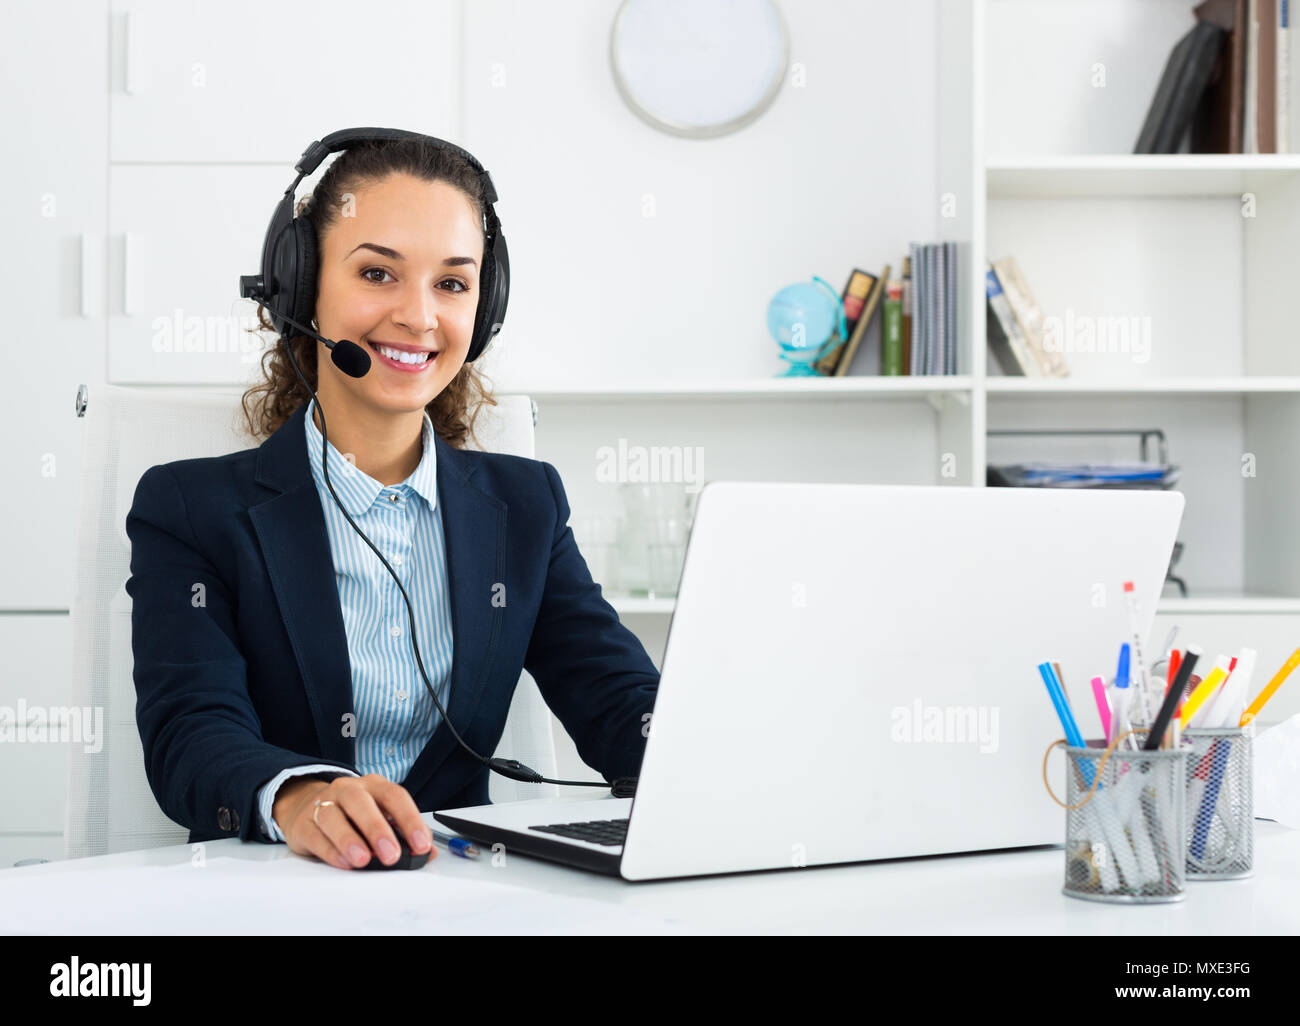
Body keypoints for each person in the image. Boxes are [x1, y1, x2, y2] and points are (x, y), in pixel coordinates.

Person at [125, 137, 659, 870]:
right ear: (299, 286)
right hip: (270, 898)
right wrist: (299, 796)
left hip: (460, 898)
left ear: (486, 306)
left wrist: (704, 753)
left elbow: (614, 696)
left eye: (453, 283)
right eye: (378, 272)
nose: (419, 316)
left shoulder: (525, 506)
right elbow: (190, 731)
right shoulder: (191, 508)